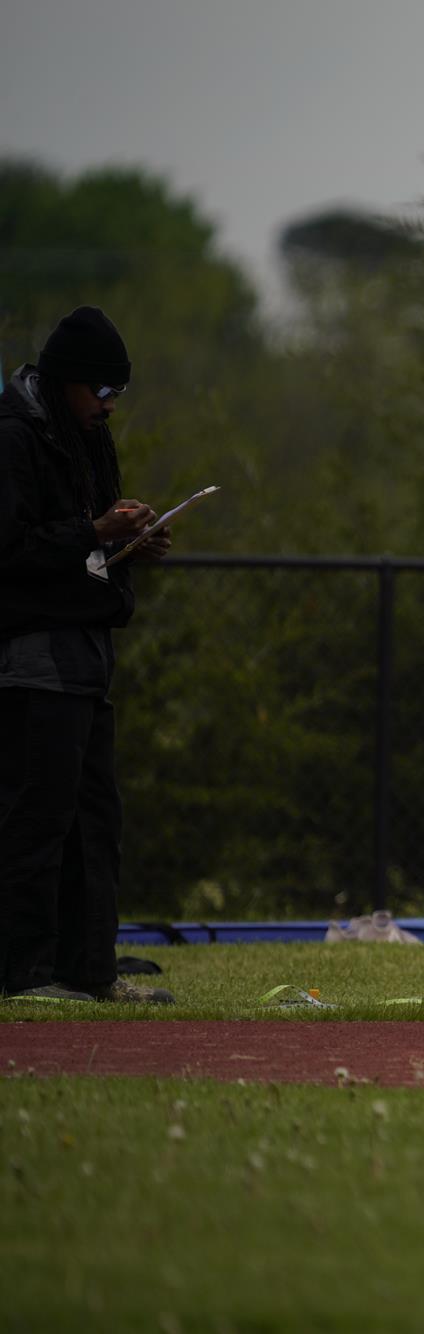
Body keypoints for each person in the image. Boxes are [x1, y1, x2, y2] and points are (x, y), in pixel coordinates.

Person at [0, 306, 174, 1004]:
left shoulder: (86, 436)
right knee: (36, 818)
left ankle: (88, 970)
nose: (108, 406)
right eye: (101, 392)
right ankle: (23, 975)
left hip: (86, 652)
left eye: (118, 395)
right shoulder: (14, 439)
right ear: (68, 380)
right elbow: (11, 552)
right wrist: (93, 530)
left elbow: (88, 543)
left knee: (95, 818)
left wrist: (130, 543)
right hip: (34, 656)